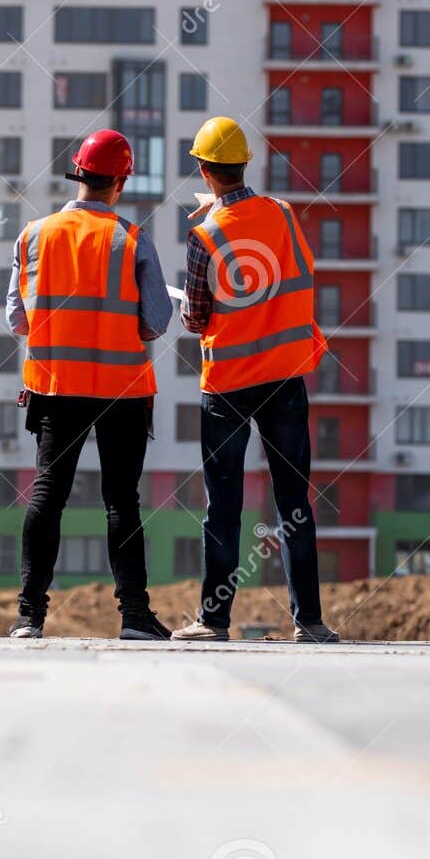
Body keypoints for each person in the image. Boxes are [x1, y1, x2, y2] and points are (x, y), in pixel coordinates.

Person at [171, 117, 341, 643]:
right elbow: (295, 274)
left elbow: (197, 318)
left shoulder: (204, 236)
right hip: (286, 375)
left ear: (202, 168)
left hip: (229, 381)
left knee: (223, 504)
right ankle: (309, 622)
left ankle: (214, 620)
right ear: (244, 165)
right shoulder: (284, 215)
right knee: (294, 502)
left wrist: (217, 222)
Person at [4, 129, 173, 641]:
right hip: (122, 388)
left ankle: (30, 617)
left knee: (47, 496)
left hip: (57, 387)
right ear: (120, 181)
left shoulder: (34, 235)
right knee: (122, 501)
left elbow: (17, 317)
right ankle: (135, 617)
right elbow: (157, 320)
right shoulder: (132, 239)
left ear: (78, 175)